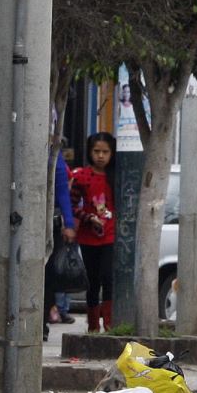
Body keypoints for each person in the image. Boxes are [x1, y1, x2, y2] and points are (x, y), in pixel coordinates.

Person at [70, 132, 118, 333]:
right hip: (89, 237)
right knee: (92, 281)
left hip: (111, 235)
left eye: (105, 152)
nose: (101, 156)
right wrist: (88, 218)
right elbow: (72, 206)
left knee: (108, 278)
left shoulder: (118, 176)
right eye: (96, 151)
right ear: (90, 152)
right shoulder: (80, 176)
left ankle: (109, 323)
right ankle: (92, 326)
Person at [47, 150, 77, 329]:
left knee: (51, 271)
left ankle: (50, 313)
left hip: (51, 224)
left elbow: (62, 192)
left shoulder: (55, 158)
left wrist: (69, 224)